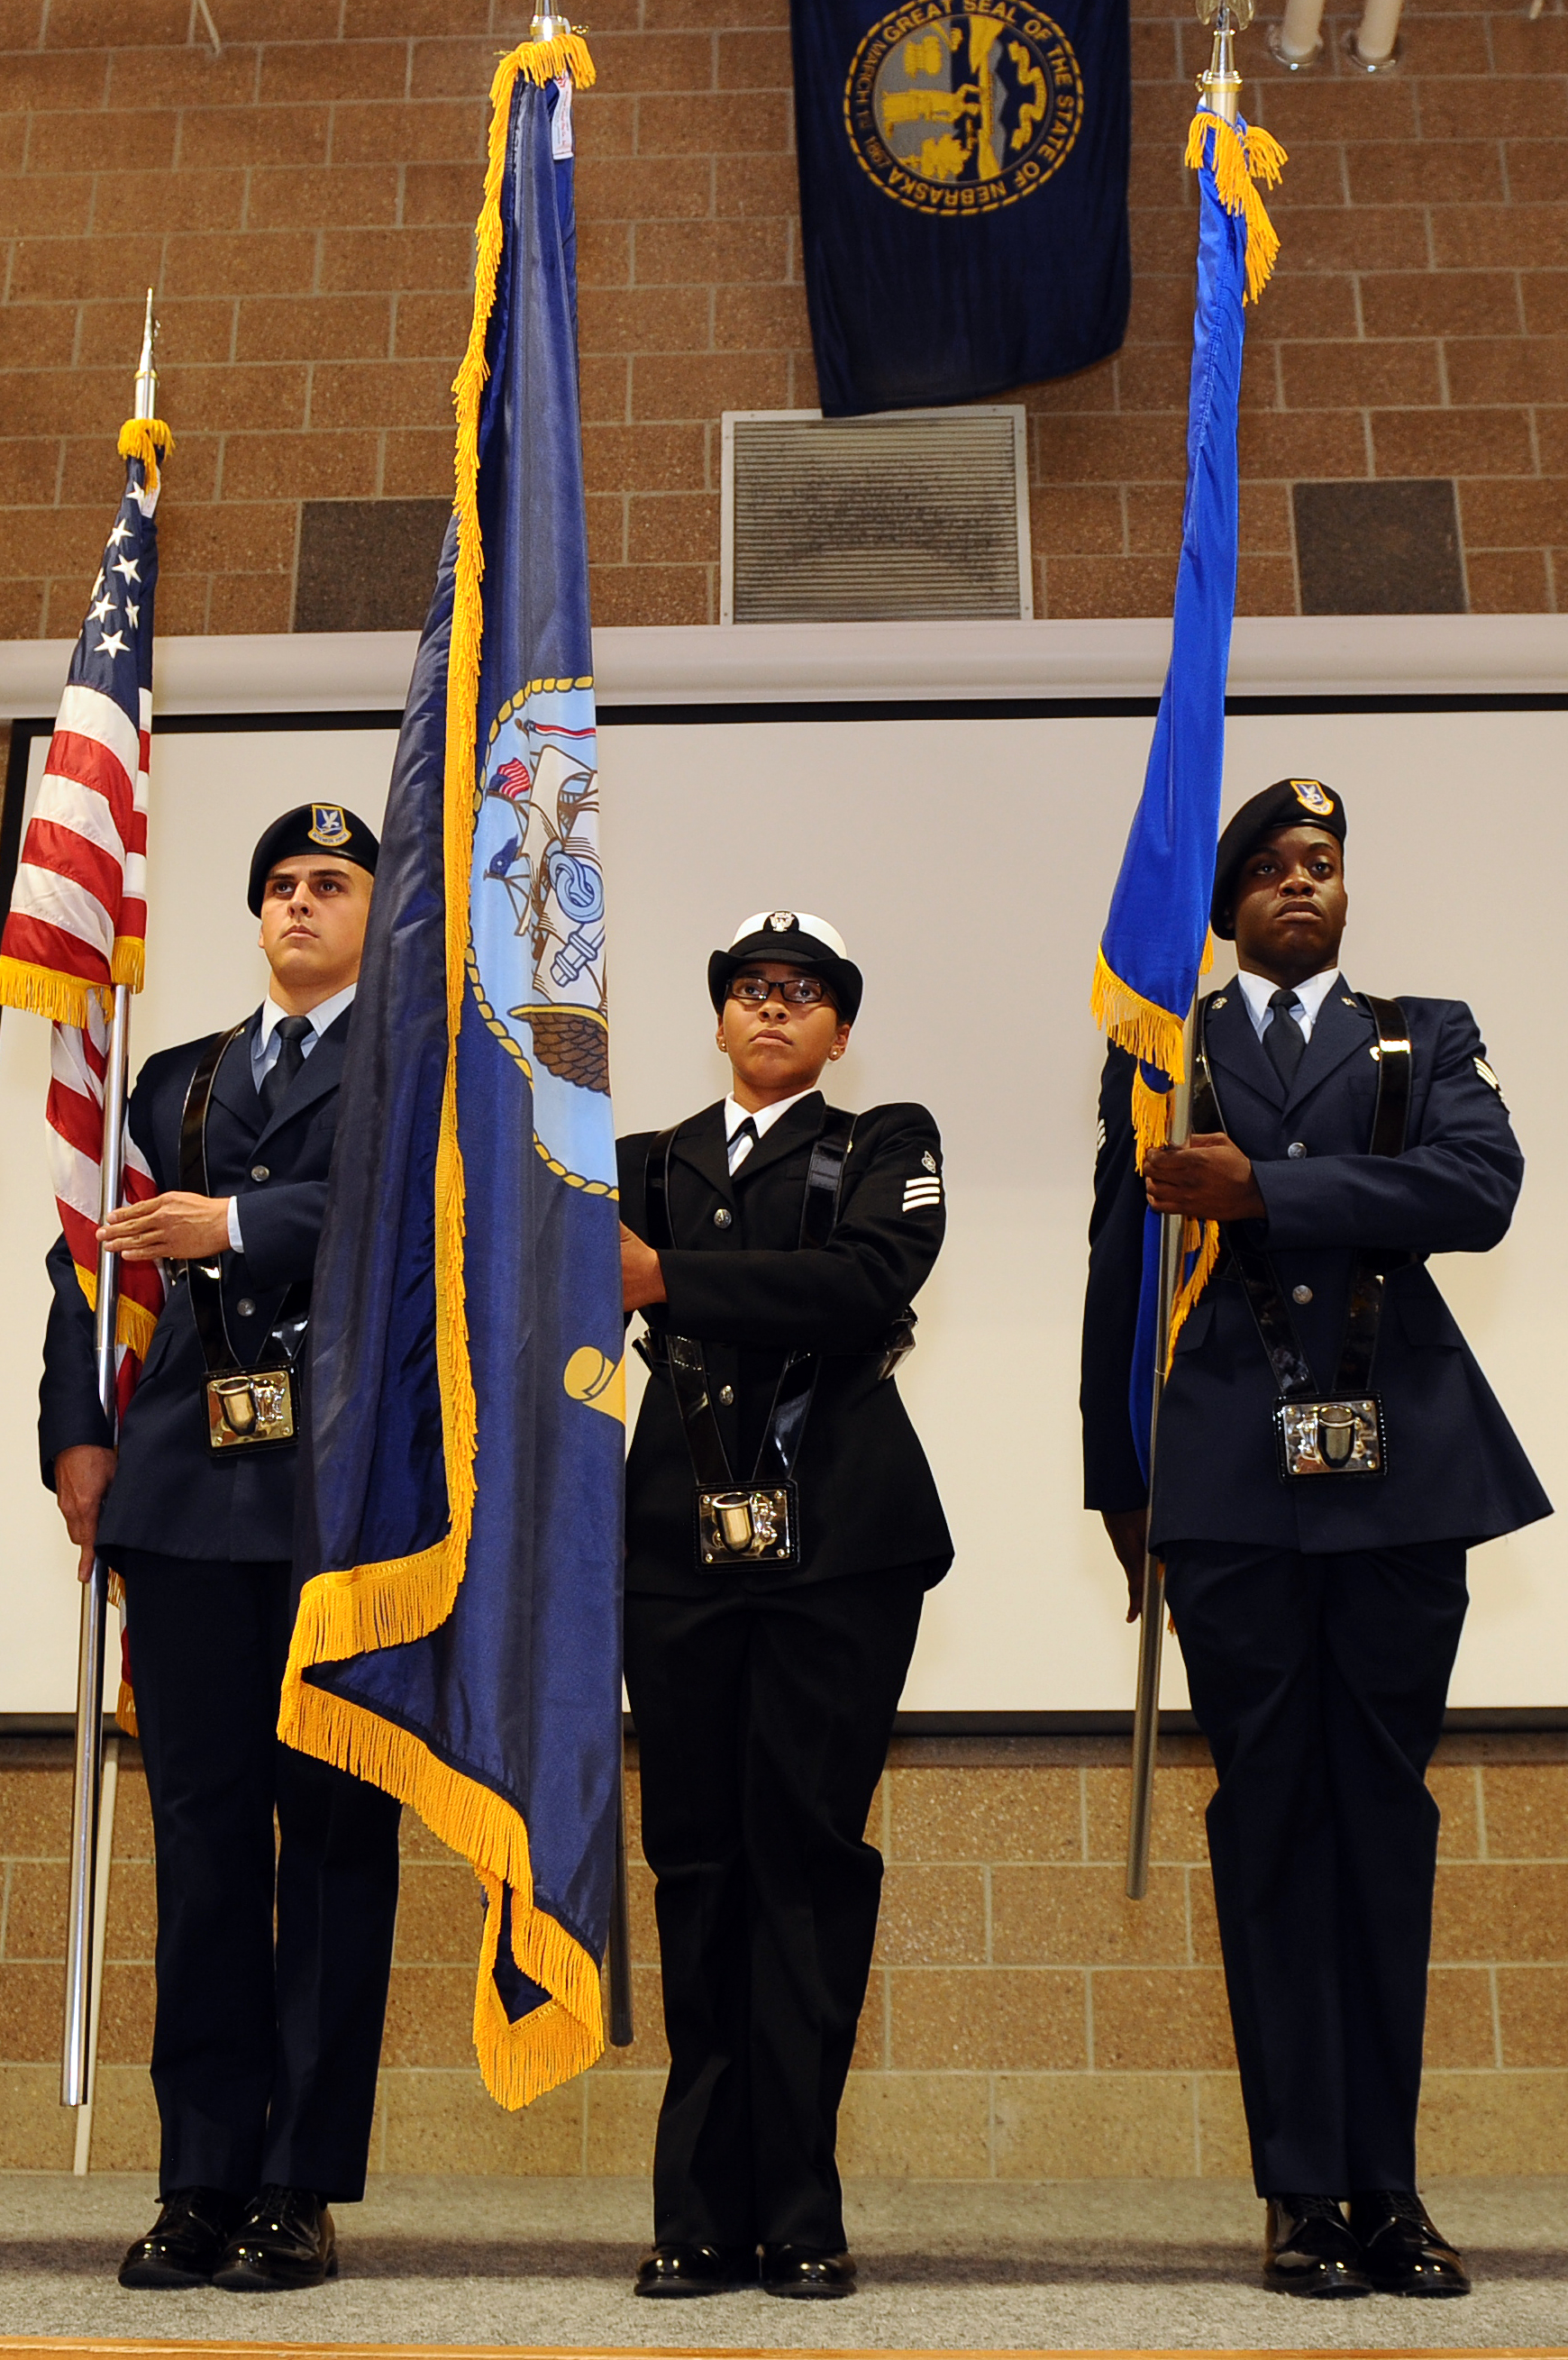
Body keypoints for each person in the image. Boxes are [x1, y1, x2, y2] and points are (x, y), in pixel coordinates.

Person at [1078, 779, 1550, 2301]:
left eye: (1324, 863)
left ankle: (1388, 2187)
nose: (1302, 882)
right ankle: (1300, 2189)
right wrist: (1121, 1480)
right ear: (1223, 907)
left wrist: (1267, 1189)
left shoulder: (1423, 1036)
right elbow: (1118, 1266)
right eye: (1272, 867)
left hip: (1400, 1469)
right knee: (1271, 1819)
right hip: (1225, 1468)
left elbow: (1476, 1190)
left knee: (1381, 1818)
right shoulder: (1164, 1048)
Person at [39, 802, 394, 2296]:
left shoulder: (424, 1066)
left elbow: (413, 1214)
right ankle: (199, 2174)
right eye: (281, 886)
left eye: (332, 883)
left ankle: (296, 2183)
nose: (300, 903)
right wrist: (75, 1429)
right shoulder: (174, 1076)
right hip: (186, 1489)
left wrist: (238, 1224)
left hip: (345, 1499)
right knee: (200, 1842)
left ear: (380, 911)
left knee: (331, 1840)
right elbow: (88, 1259)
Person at [615, 913, 946, 2304]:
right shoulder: (640, 1161)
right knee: (696, 1866)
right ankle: (698, 2213)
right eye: (750, 989)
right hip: (674, 1543)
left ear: (839, 1030)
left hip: (841, 1547)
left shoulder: (886, 1142)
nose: (772, 1008)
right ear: (719, 1017)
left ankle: (802, 2210)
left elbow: (866, 1283)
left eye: (803, 994)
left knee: (805, 1866)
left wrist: (669, 1280)